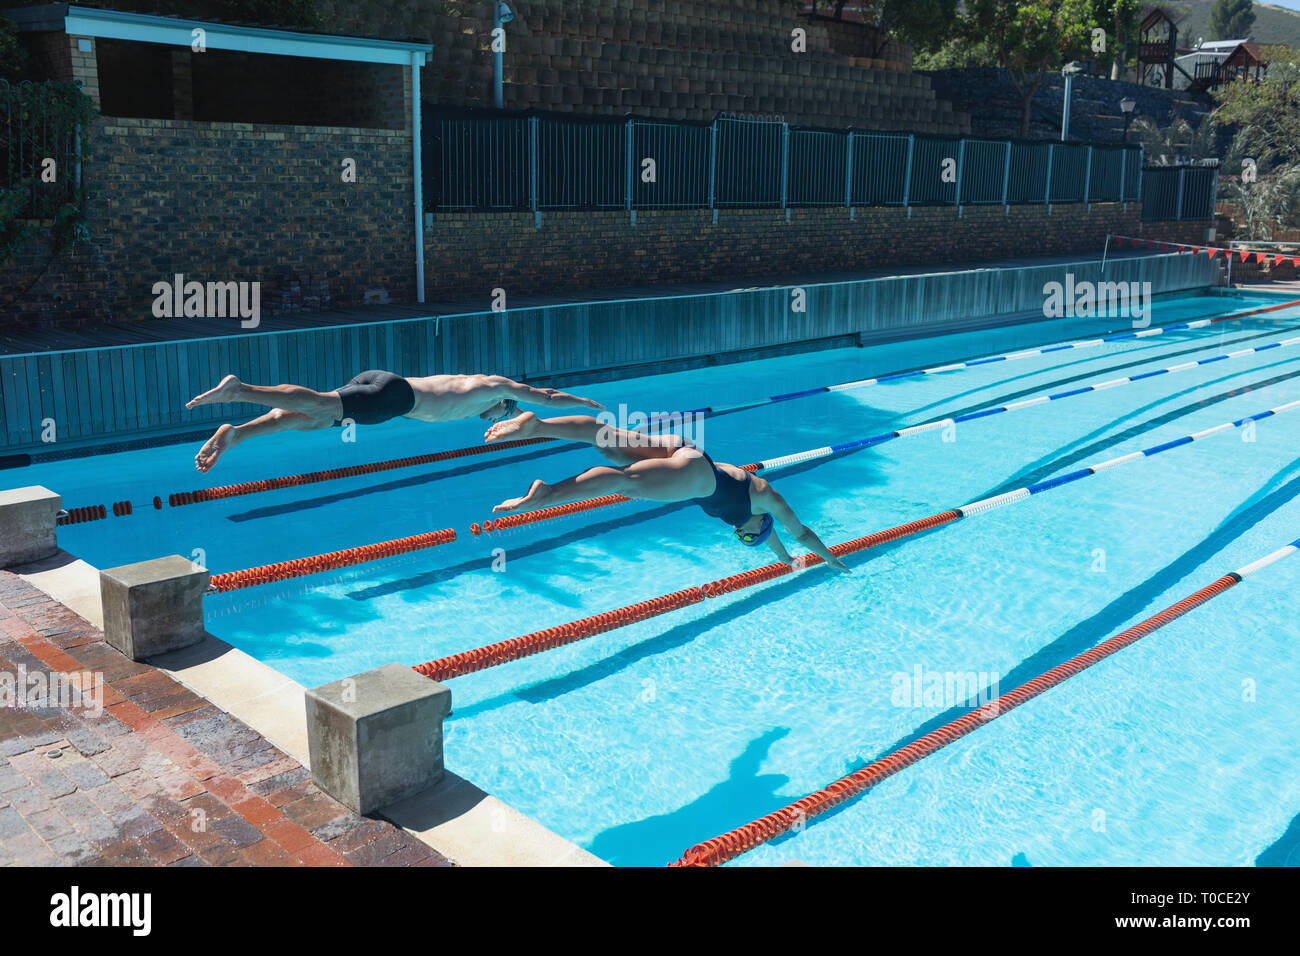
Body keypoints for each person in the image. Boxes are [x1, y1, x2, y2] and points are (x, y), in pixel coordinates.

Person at [486, 412, 850, 571]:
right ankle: (547, 494)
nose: (740, 536)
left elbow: (779, 544)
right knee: (622, 480)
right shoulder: (764, 497)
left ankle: (537, 424)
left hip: (687, 449)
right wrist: (830, 557)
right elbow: (799, 531)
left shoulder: (756, 513)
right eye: (747, 538)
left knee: (608, 439)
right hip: (696, 476)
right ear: (761, 525)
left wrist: (788, 561)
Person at [186, 371, 604, 473]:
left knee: (313, 419)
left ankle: (237, 433)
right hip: (395, 398)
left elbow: (479, 408)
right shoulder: (497, 386)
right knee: (320, 405)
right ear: (508, 399)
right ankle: (240, 391)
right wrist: (585, 402)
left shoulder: (474, 386)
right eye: (506, 410)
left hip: (385, 385)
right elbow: (546, 397)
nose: (497, 417)